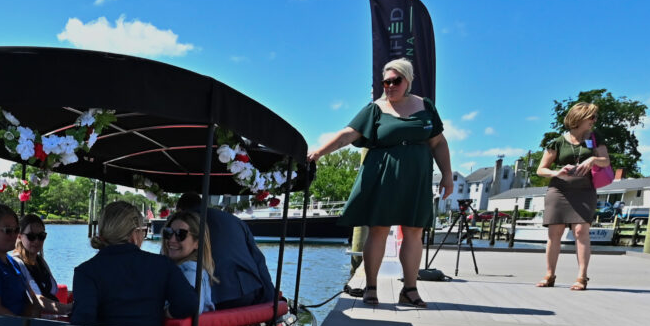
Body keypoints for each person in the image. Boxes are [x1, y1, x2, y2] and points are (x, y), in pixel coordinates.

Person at [307, 57, 454, 308]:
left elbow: (438, 142)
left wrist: (447, 175)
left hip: (417, 177)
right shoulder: (375, 109)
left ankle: (410, 290)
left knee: (414, 231)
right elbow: (347, 134)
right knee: (379, 229)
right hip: (383, 174)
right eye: (386, 82)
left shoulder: (425, 106)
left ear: (408, 80)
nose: (390, 86)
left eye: (396, 81)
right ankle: (371, 287)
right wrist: (318, 152)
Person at [70, 201, 195, 326]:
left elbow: (82, 324)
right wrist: (166, 313)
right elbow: (189, 303)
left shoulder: (85, 271)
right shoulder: (163, 265)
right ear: (134, 235)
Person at [534, 102, 611, 290]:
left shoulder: (595, 137)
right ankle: (549, 275)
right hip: (559, 191)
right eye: (591, 117)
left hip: (584, 191)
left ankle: (581, 277)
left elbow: (606, 161)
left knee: (580, 232)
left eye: (595, 117)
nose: (594, 120)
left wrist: (593, 159)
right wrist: (557, 172)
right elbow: (540, 169)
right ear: (579, 118)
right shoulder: (557, 142)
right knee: (554, 233)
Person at [176, 192, 275, 309]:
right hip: (249, 289)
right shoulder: (235, 220)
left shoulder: (185, 223)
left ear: (180, 210)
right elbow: (259, 260)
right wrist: (270, 297)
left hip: (214, 295)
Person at [11, 213, 72, 316]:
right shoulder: (16, 263)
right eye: (31, 236)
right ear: (19, 236)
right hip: (35, 321)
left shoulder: (40, 262)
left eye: (41, 236)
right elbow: (34, 298)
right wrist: (66, 308)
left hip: (51, 319)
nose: (37, 241)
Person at [161, 209, 216, 313]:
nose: (172, 240)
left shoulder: (191, 271)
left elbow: (191, 308)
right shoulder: (176, 268)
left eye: (180, 234)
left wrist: (160, 312)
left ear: (197, 243)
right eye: (168, 232)